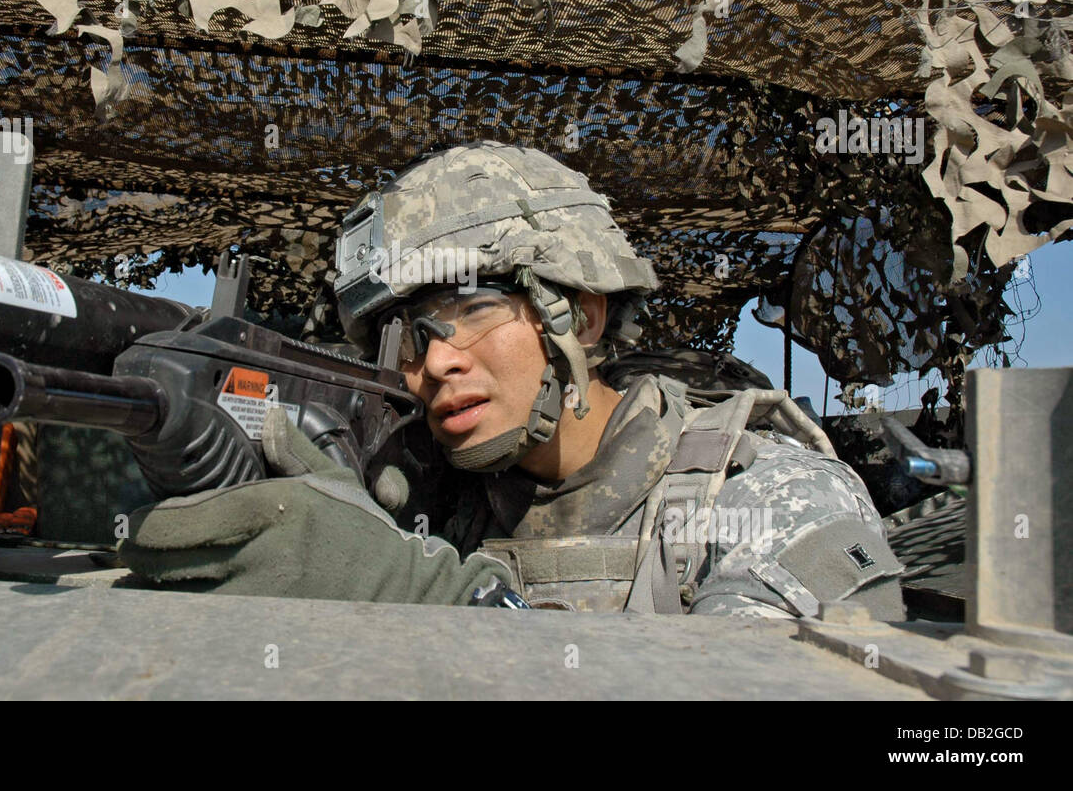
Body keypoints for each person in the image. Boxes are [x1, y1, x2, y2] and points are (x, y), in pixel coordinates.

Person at [118, 141, 905, 619]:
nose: (435, 362)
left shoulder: (763, 500)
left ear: (581, 319)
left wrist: (437, 601)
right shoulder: (435, 501)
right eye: (408, 337)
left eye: (471, 309)